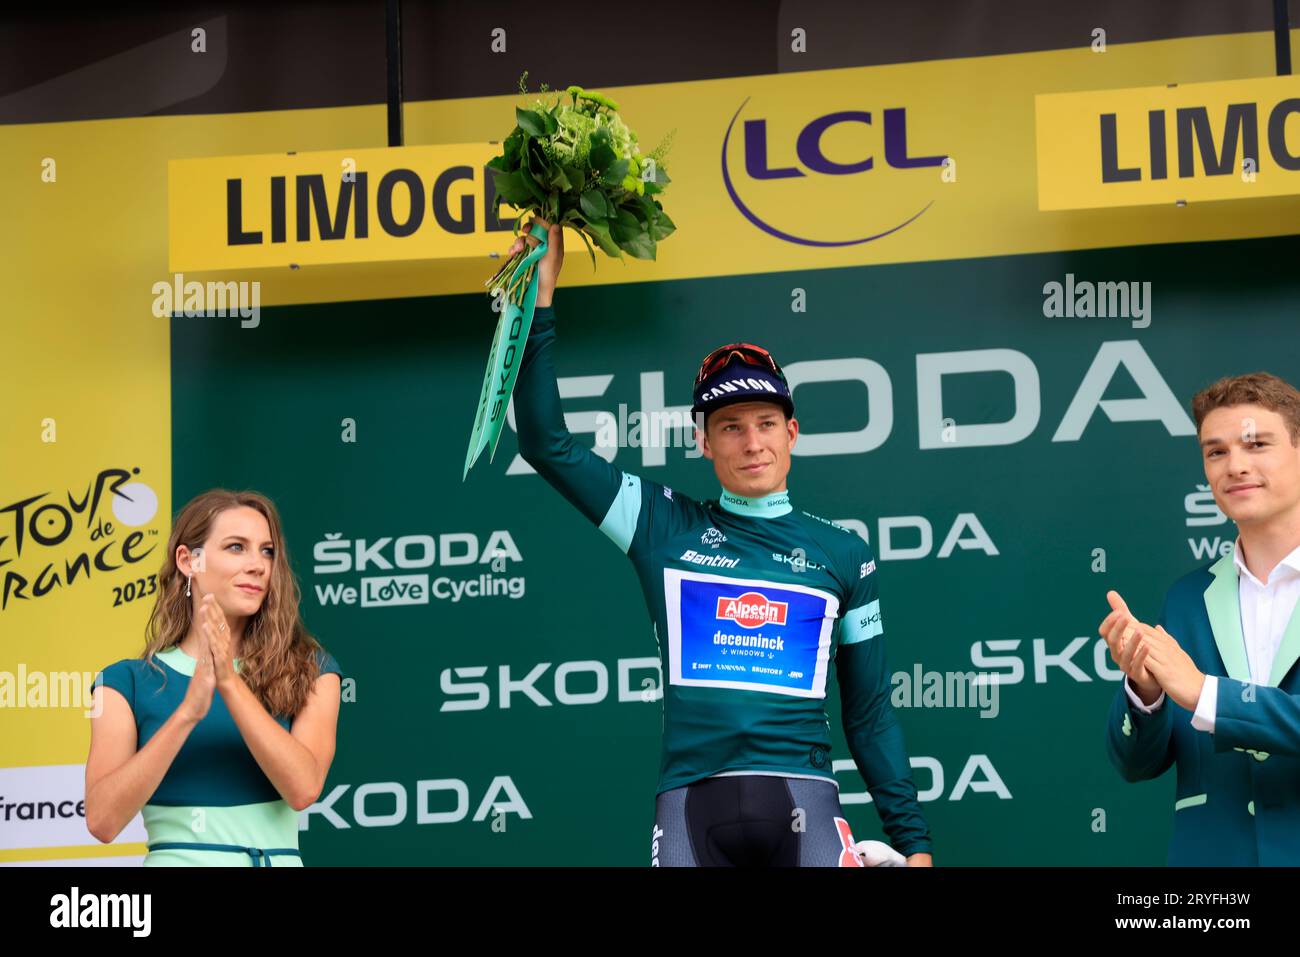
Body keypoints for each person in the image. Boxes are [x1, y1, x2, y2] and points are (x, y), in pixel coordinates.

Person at [508, 218, 933, 866]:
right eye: (731, 426)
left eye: (766, 422)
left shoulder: (843, 553)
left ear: (793, 432)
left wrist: (914, 843)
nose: (752, 442)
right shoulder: (660, 524)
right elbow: (545, 443)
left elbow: (870, 715)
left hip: (805, 799)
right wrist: (537, 300)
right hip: (689, 806)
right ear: (703, 442)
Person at [1102, 372, 1300, 865]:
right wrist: (1145, 692)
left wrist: (1205, 694)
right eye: (1216, 452)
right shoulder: (1187, 599)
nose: (1235, 465)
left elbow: (1204, 696)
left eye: (1256, 444)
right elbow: (1135, 765)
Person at [86, 490, 342, 866]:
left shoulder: (311, 669)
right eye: (236, 547)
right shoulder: (125, 682)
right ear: (188, 560)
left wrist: (228, 681)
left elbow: (304, 788)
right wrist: (187, 713)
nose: (258, 565)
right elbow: (102, 820)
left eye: (267, 551)